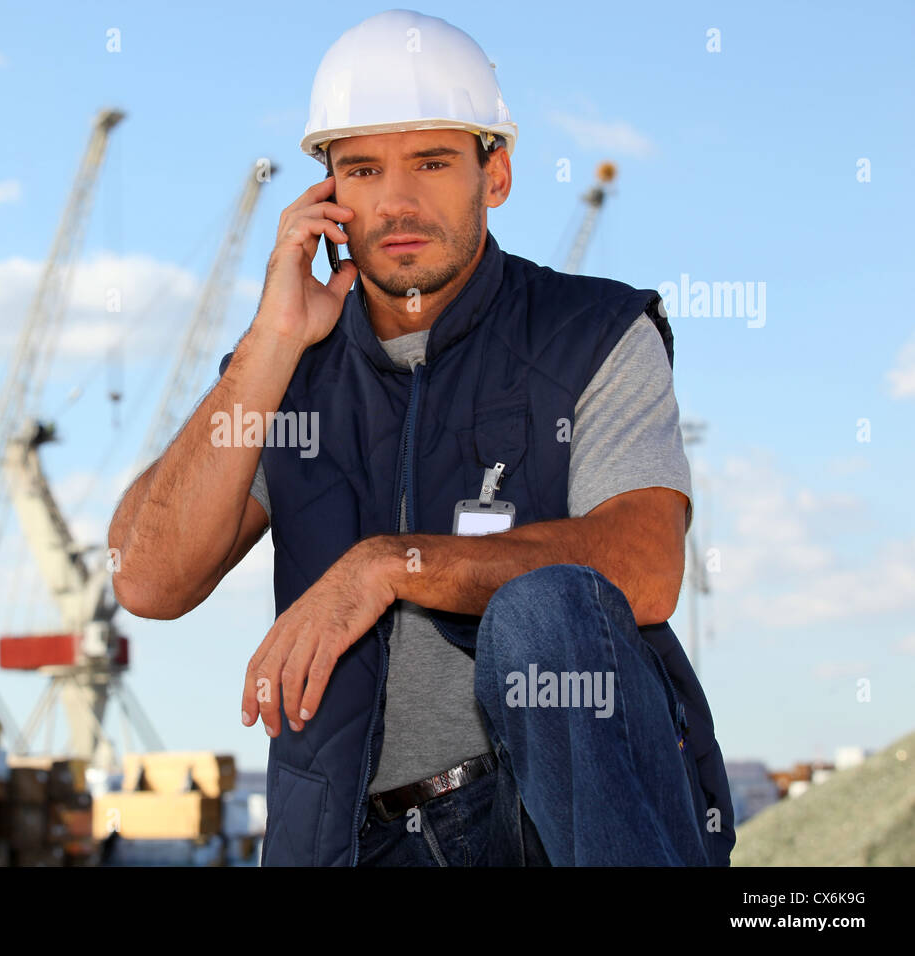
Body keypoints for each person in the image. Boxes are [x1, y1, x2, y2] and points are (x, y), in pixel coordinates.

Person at [107, 9, 734, 866]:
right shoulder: (291, 370)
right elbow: (146, 577)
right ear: (326, 193)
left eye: (433, 163)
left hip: (544, 828)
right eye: (362, 169)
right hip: (344, 840)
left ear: (497, 172)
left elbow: (646, 565)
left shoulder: (593, 332)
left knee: (545, 608)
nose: (396, 202)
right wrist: (269, 344)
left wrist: (389, 566)